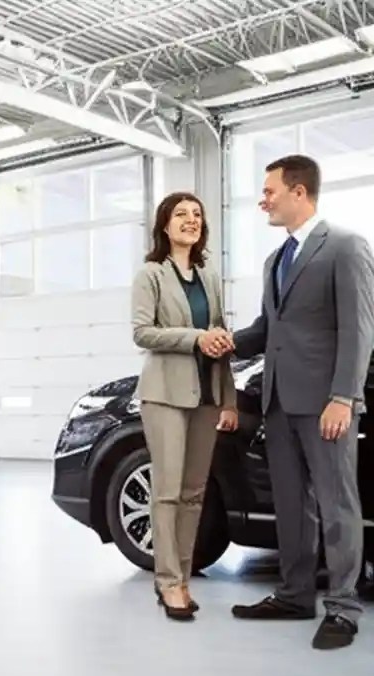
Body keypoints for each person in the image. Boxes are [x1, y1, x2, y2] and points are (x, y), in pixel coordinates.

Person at [226, 154, 374, 651]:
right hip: (278, 402)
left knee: (336, 505)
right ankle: (294, 594)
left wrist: (343, 396)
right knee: (291, 506)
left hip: (325, 403)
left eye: (269, 191)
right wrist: (225, 342)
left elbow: (358, 330)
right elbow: (269, 331)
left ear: (298, 192)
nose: (262, 200)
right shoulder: (275, 261)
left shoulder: (345, 247)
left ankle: (344, 607)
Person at [130, 192, 239, 621]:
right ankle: (167, 581)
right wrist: (194, 338)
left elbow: (221, 335)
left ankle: (184, 577)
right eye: (181, 214)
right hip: (165, 395)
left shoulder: (209, 277)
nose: (190, 220)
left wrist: (228, 398)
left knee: (194, 494)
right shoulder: (151, 275)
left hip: (207, 395)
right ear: (164, 225)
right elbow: (142, 333)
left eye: (197, 214)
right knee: (169, 491)